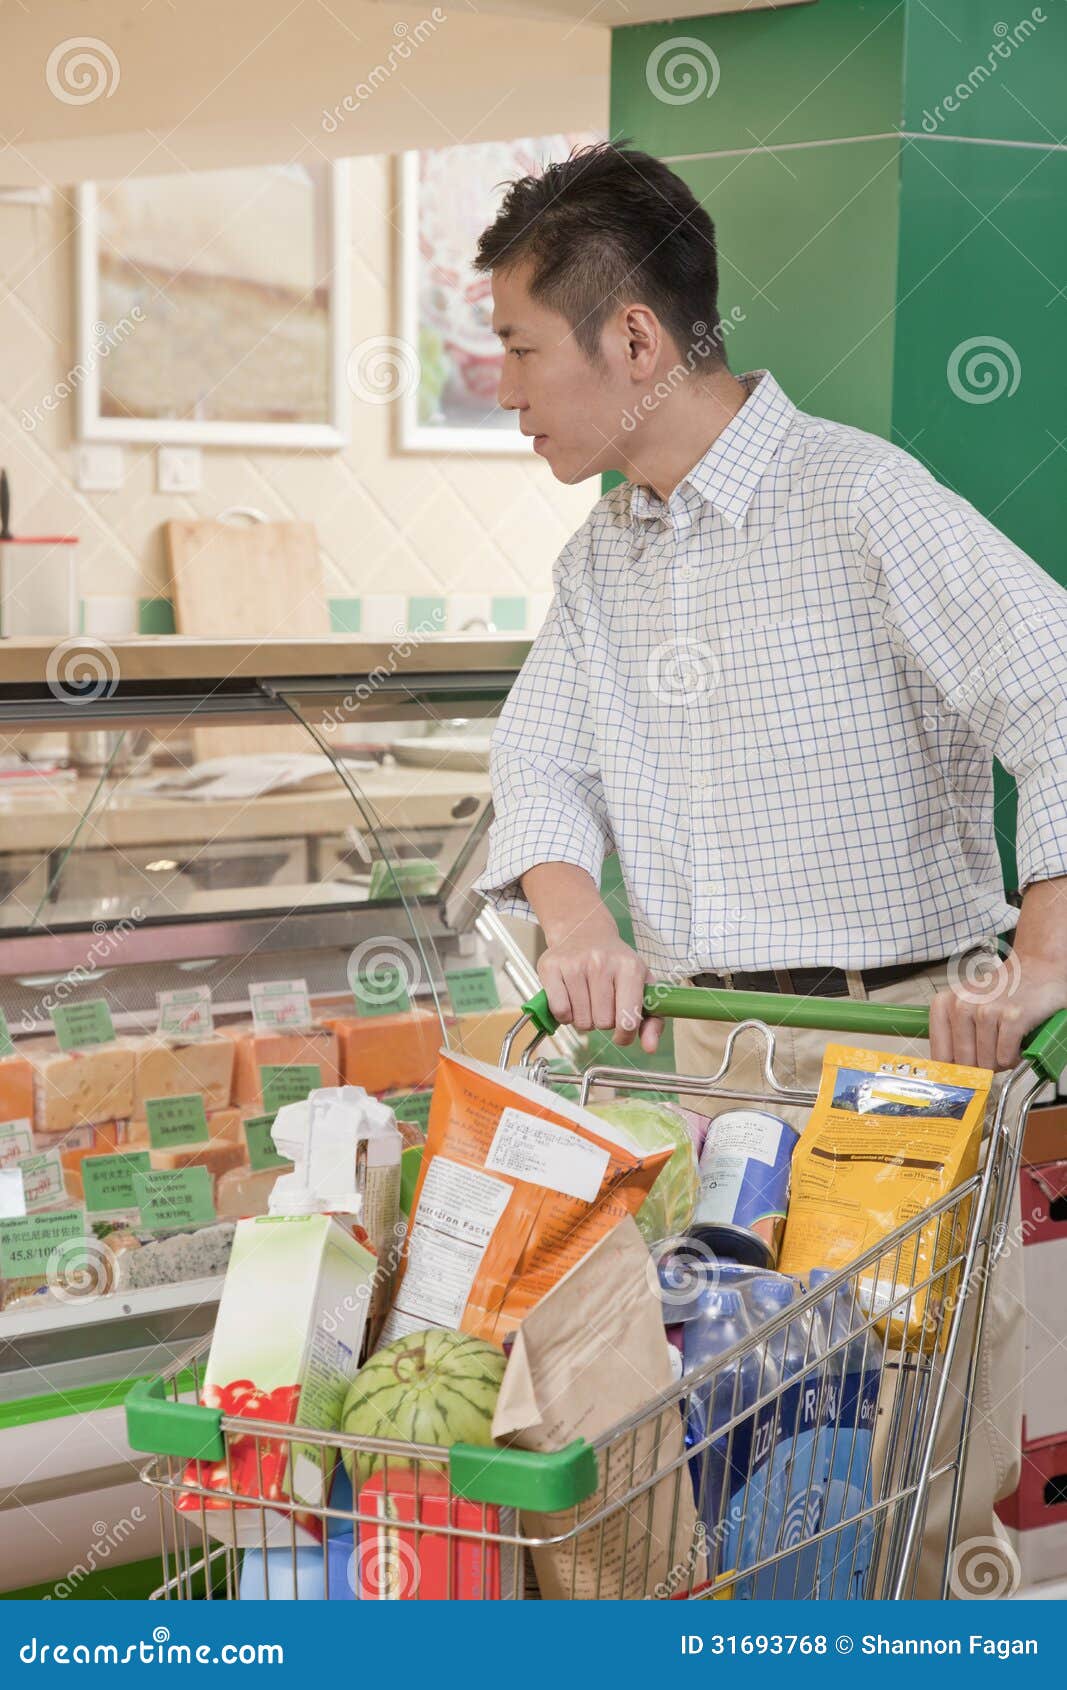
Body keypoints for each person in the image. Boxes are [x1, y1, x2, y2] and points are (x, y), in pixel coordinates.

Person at [470, 140, 1067, 1597]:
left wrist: (1045, 958)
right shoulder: (602, 556)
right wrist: (576, 915)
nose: (505, 382)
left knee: (902, 1506)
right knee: (717, 1512)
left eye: (518, 345)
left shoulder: (861, 500)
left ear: (634, 339)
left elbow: (1057, 690)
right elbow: (537, 766)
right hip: (692, 1079)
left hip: (896, 1072)